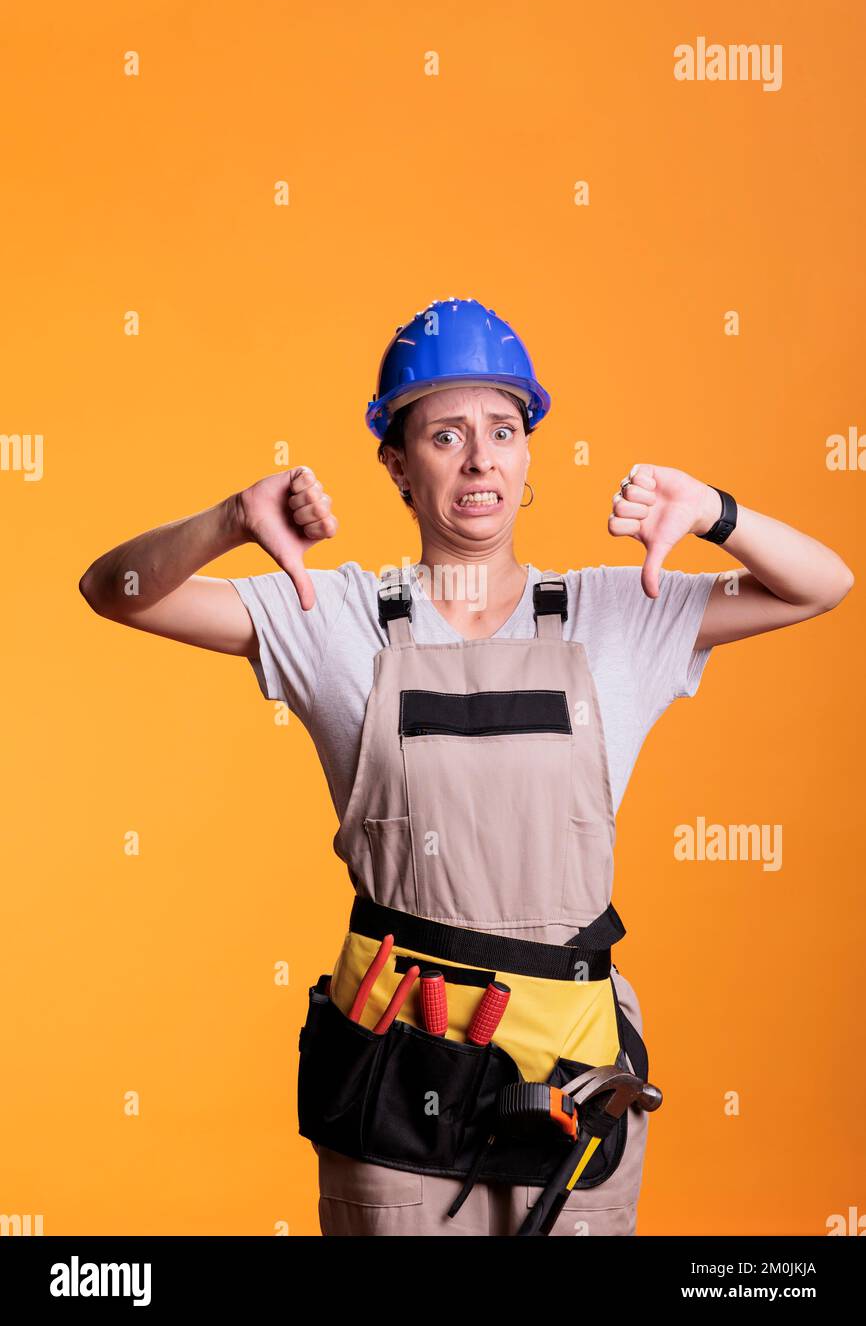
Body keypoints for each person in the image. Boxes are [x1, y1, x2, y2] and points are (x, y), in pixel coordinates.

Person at [79, 298, 853, 1237]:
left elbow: (824, 583)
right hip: (395, 1067)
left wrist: (716, 514)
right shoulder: (333, 616)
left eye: (502, 430)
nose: (481, 458)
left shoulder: (620, 613)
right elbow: (114, 592)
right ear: (399, 466)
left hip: (569, 1073)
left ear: (528, 453)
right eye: (446, 434)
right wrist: (233, 520)